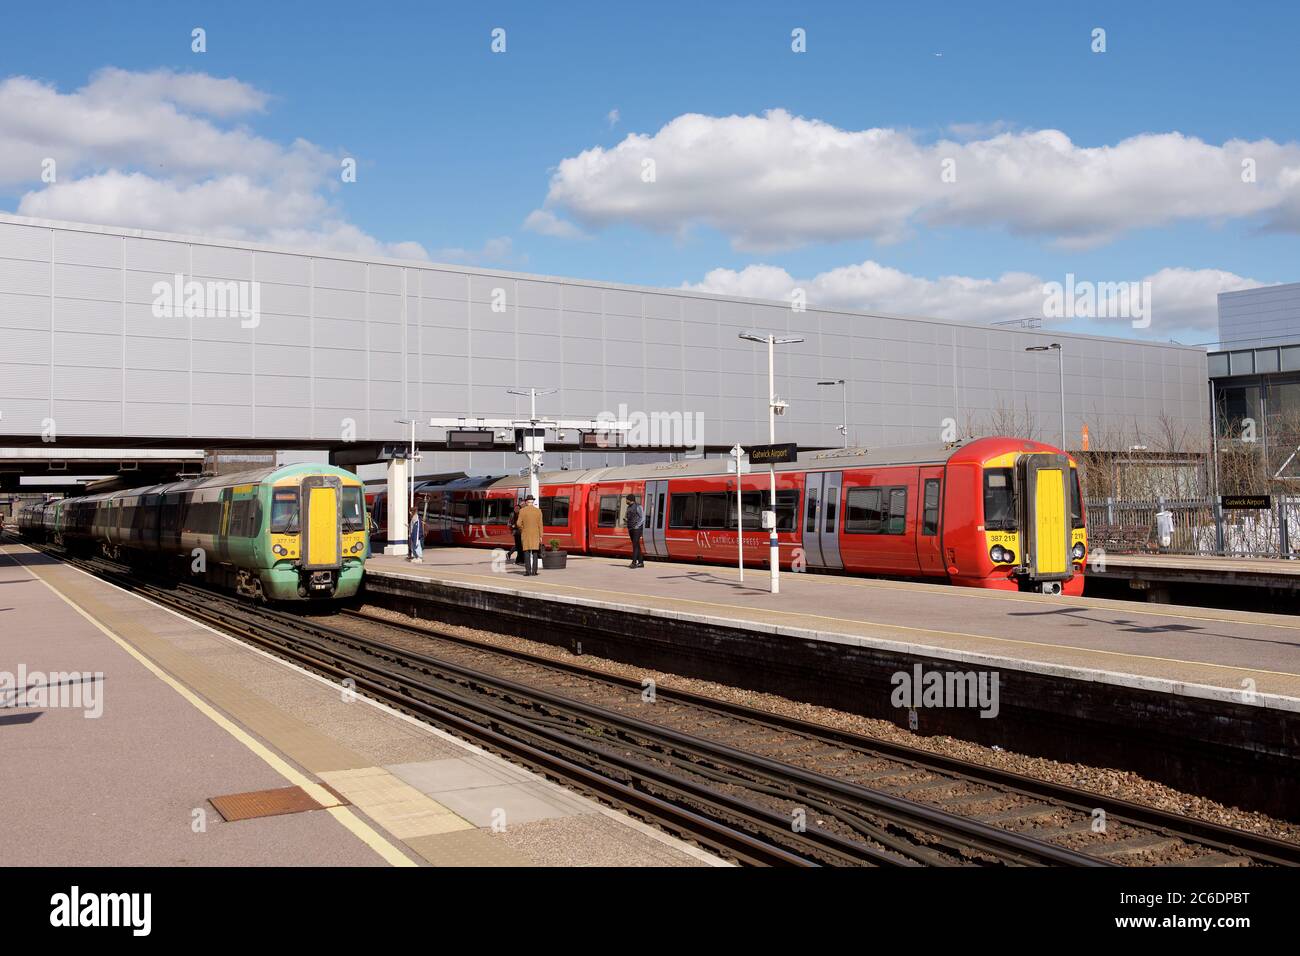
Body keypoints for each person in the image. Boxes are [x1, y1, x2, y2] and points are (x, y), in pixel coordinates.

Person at [516, 493, 543, 576]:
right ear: (533, 502)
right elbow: (540, 524)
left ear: (526, 502)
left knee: (526, 553)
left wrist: (522, 529)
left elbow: (518, 523)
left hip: (526, 534)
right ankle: (534, 572)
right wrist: (541, 536)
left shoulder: (522, 511)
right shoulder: (538, 511)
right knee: (535, 553)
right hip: (535, 535)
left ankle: (528, 571)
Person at [625, 493, 645, 568]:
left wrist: (637, 525)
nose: (626, 501)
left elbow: (642, 517)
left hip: (637, 529)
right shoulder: (628, 507)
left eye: (626, 499)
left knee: (635, 545)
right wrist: (626, 520)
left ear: (630, 499)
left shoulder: (638, 506)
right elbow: (628, 516)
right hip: (630, 528)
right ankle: (641, 562)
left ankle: (634, 562)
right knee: (636, 545)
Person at [508, 500, 525, 566]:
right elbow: (509, 523)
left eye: (518, 508)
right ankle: (519, 560)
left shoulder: (521, 514)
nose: (516, 509)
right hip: (517, 532)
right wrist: (513, 526)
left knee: (520, 547)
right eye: (515, 509)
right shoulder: (513, 514)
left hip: (520, 532)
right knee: (519, 547)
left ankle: (520, 560)